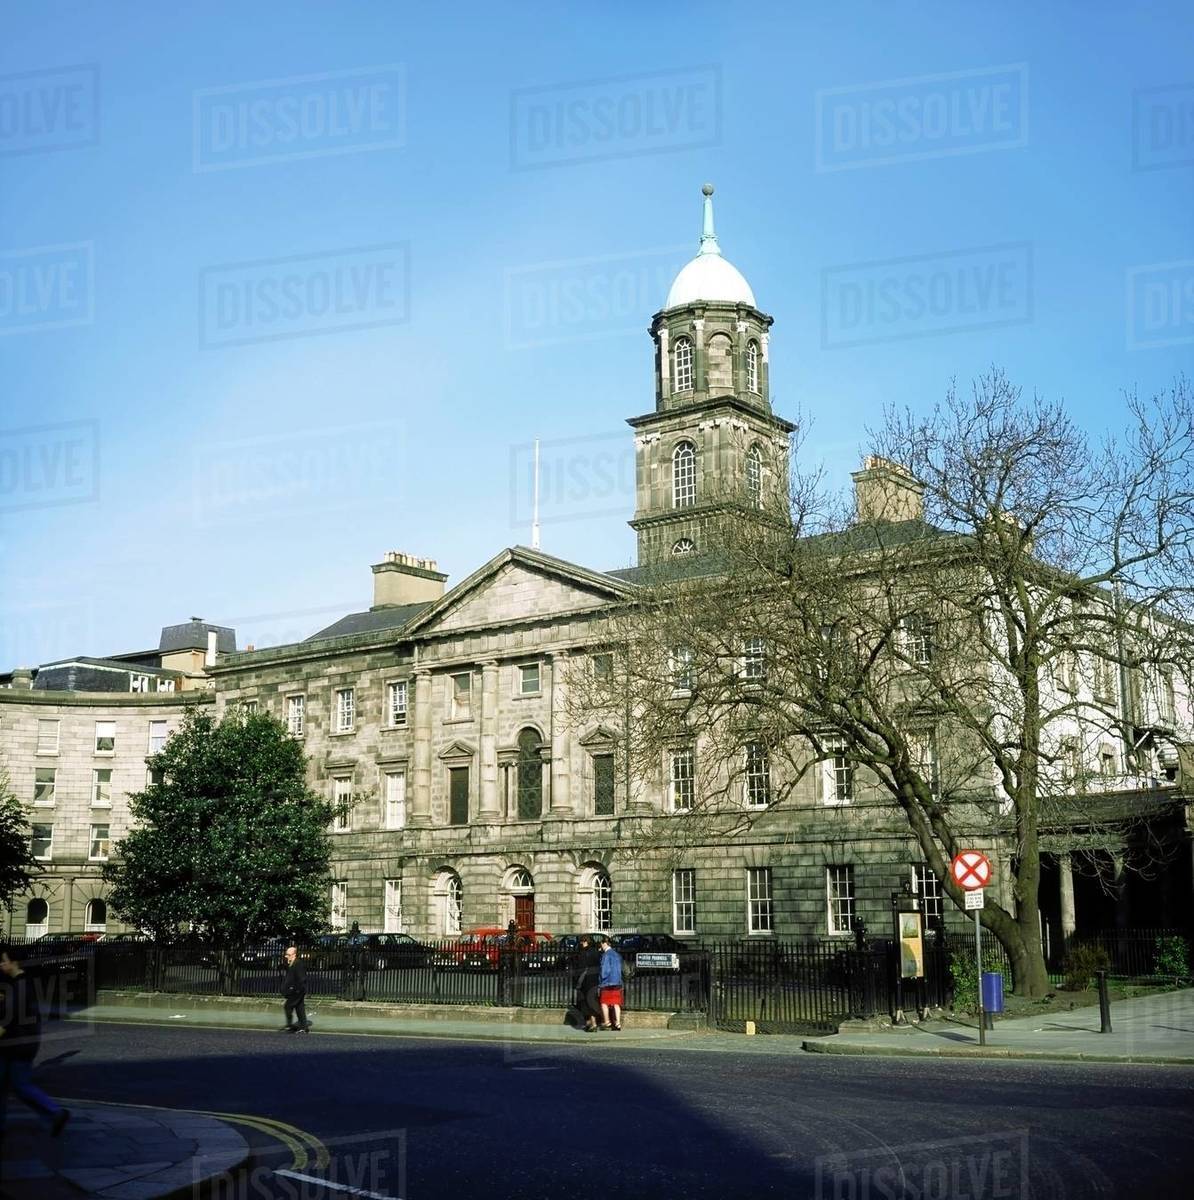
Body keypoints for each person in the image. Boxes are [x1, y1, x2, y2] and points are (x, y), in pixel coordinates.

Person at [0, 946, 70, 1144]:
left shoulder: (19, 987)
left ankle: (55, 1112)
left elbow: (7, 1021)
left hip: (16, 1046)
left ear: (15, 963)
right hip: (21, 1044)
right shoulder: (20, 984)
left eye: (4, 961)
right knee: (8, 1085)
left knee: (19, 1085)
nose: (2, 964)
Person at [573, 936, 602, 1032]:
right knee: (593, 1002)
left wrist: (576, 980)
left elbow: (580, 968)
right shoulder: (596, 952)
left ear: (585, 942)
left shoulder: (583, 953)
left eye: (582, 942)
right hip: (595, 980)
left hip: (586, 981)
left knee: (587, 1004)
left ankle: (592, 1024)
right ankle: (590, 1023)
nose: (581, 944)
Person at [597, 934, 624, 1031]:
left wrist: (600, 980)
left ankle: (607, 1022)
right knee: (616, 1003)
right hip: (617, 982)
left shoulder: (605, 955)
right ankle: (618, 1024)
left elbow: (605, 971)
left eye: (601, 944)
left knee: (604, 1003)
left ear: (604, 943)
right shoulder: (617, 954)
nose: (601, 946)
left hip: (607, 983)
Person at [281, 945, 310, 1033]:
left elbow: (302, 978)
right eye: (286, 955)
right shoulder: (291, 963)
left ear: (294, 955)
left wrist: (295, 989)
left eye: (288, 955)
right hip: (296, 990)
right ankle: (304, 1027)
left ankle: (290, 1025)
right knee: (299, 1008)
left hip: (297, 991)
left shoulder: (298, 963)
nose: (286, 956)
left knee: (288, 1006)